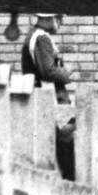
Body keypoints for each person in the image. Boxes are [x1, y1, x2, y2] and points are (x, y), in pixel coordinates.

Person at [22, 13, 76, 180]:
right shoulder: (41, 38)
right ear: (48, 18)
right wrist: (66, 74)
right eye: (58, 18)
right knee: (65, 145)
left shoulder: (36, 36)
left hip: (44, 100)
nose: (61, 22)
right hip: (49, 101)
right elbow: (48, 71)